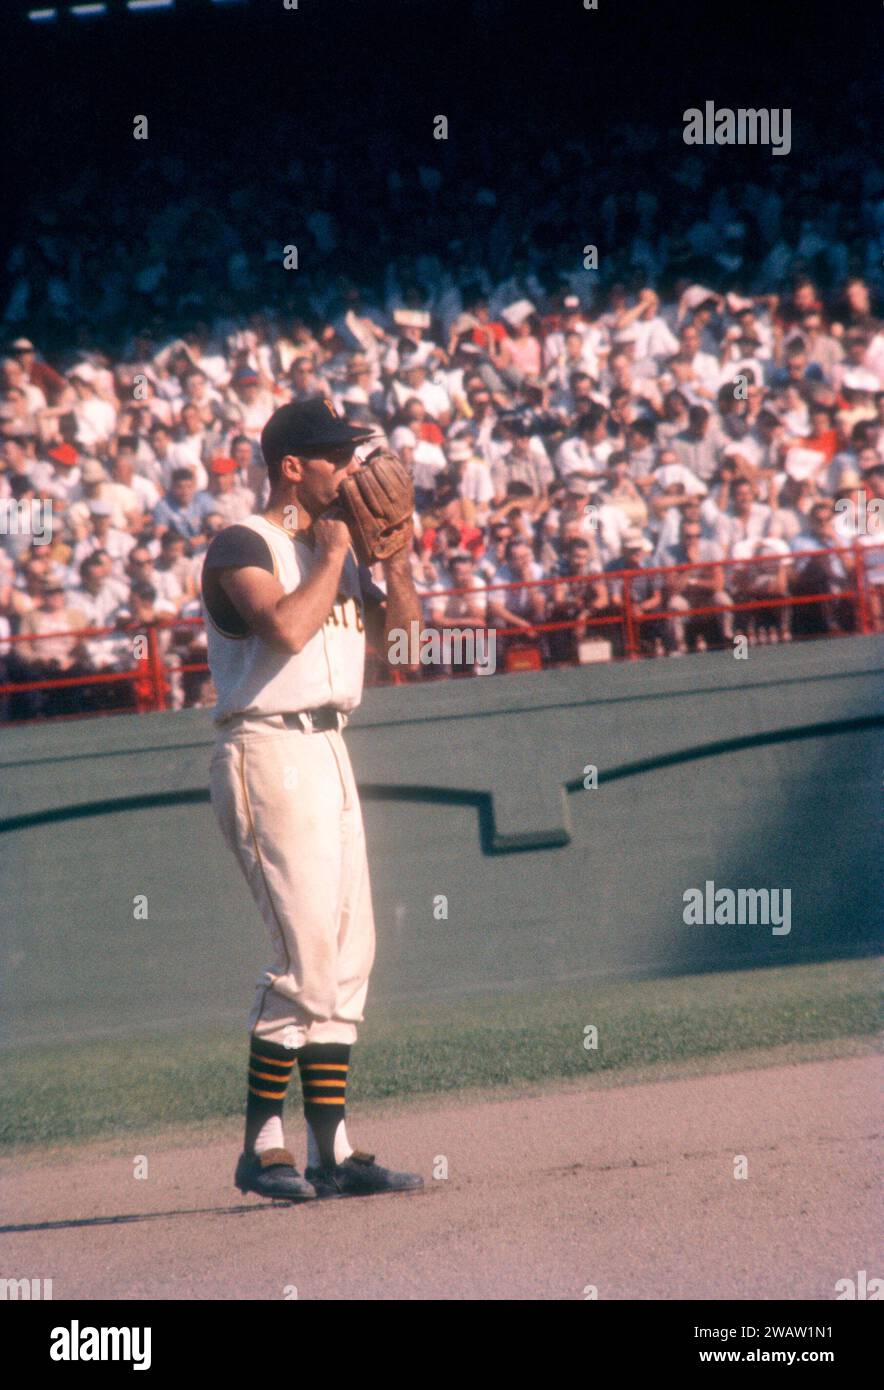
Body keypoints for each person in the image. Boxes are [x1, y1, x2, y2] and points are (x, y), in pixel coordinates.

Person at [202, 399, 424, 1202]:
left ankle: (334, 1149)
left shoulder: (346, 549)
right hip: (266, 747)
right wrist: (334, 553)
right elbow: (286, 632)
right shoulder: (243, 542)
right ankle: (262, 1149)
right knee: (303, 958)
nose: (353, 469)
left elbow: (403, 653)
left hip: (331, 746)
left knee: (347, 955)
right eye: (336, 455)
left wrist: (394, 557)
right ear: (292, 466)